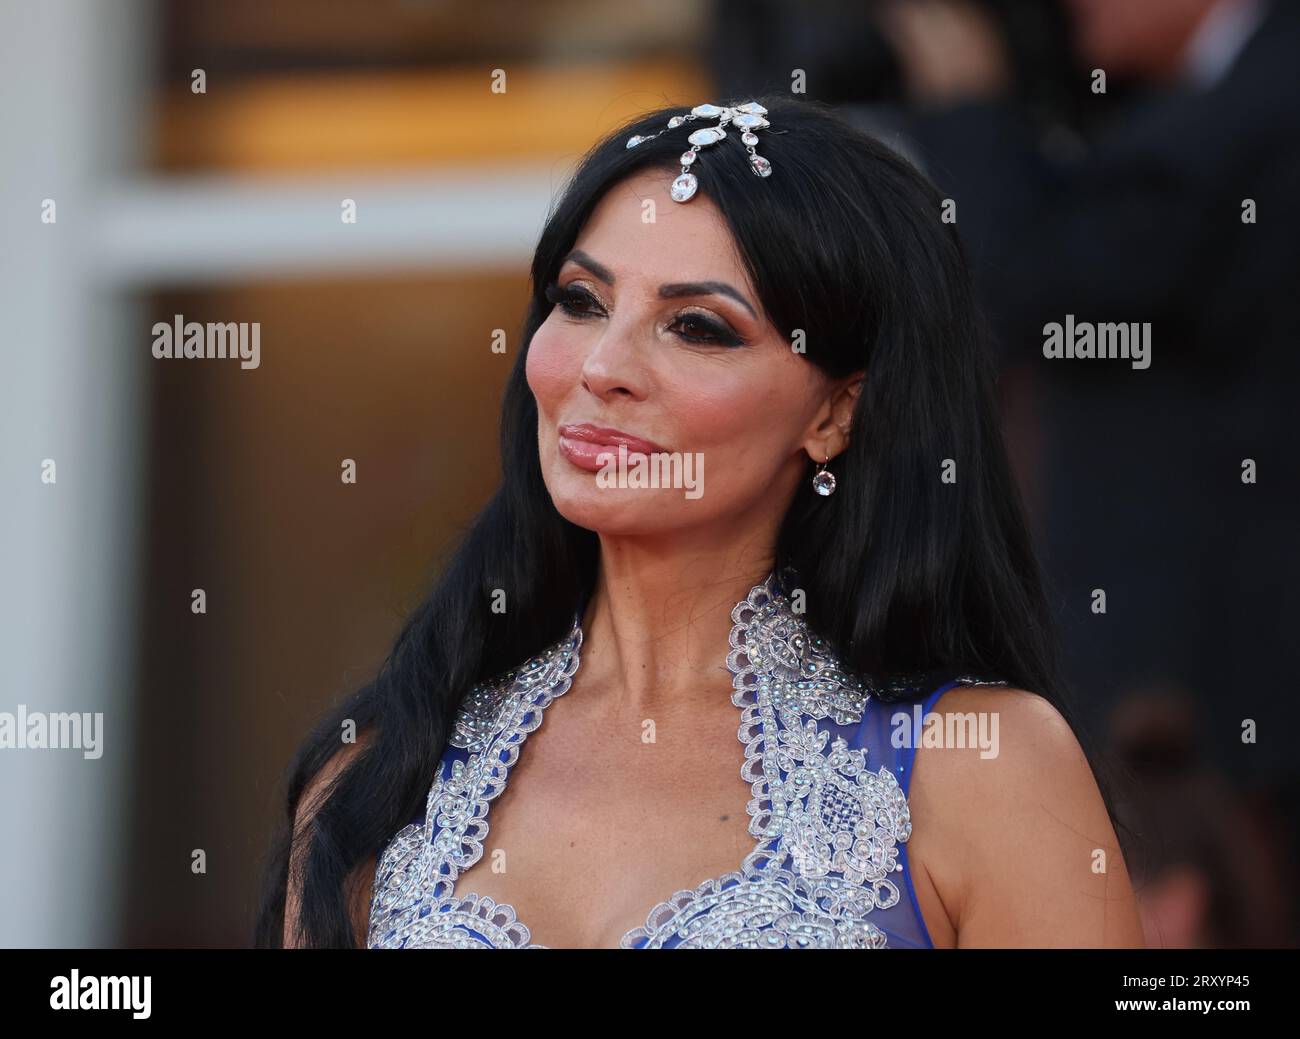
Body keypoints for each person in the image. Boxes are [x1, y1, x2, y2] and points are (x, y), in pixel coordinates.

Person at [255, 95, 1144, 949]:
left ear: (837, 412)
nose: (603, 367)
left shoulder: (984, 766)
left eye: (698, 326)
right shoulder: (381, 772)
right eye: (582, 300)